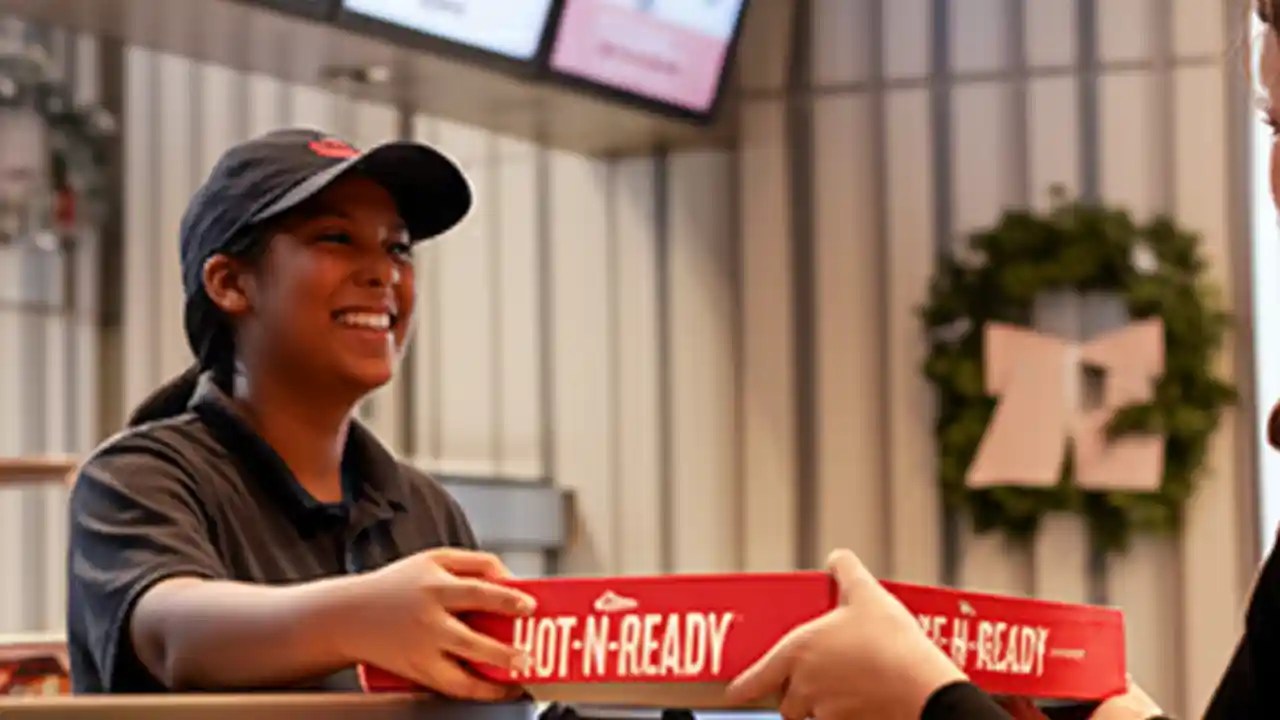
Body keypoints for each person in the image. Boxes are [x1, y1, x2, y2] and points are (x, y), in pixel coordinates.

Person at [65, 128, 536, 697]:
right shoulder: (141, 478)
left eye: (397, 248)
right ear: (231, 283)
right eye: (336, 237)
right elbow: (174, 634)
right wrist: (361, 618)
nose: (383, 274)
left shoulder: (425, 512)